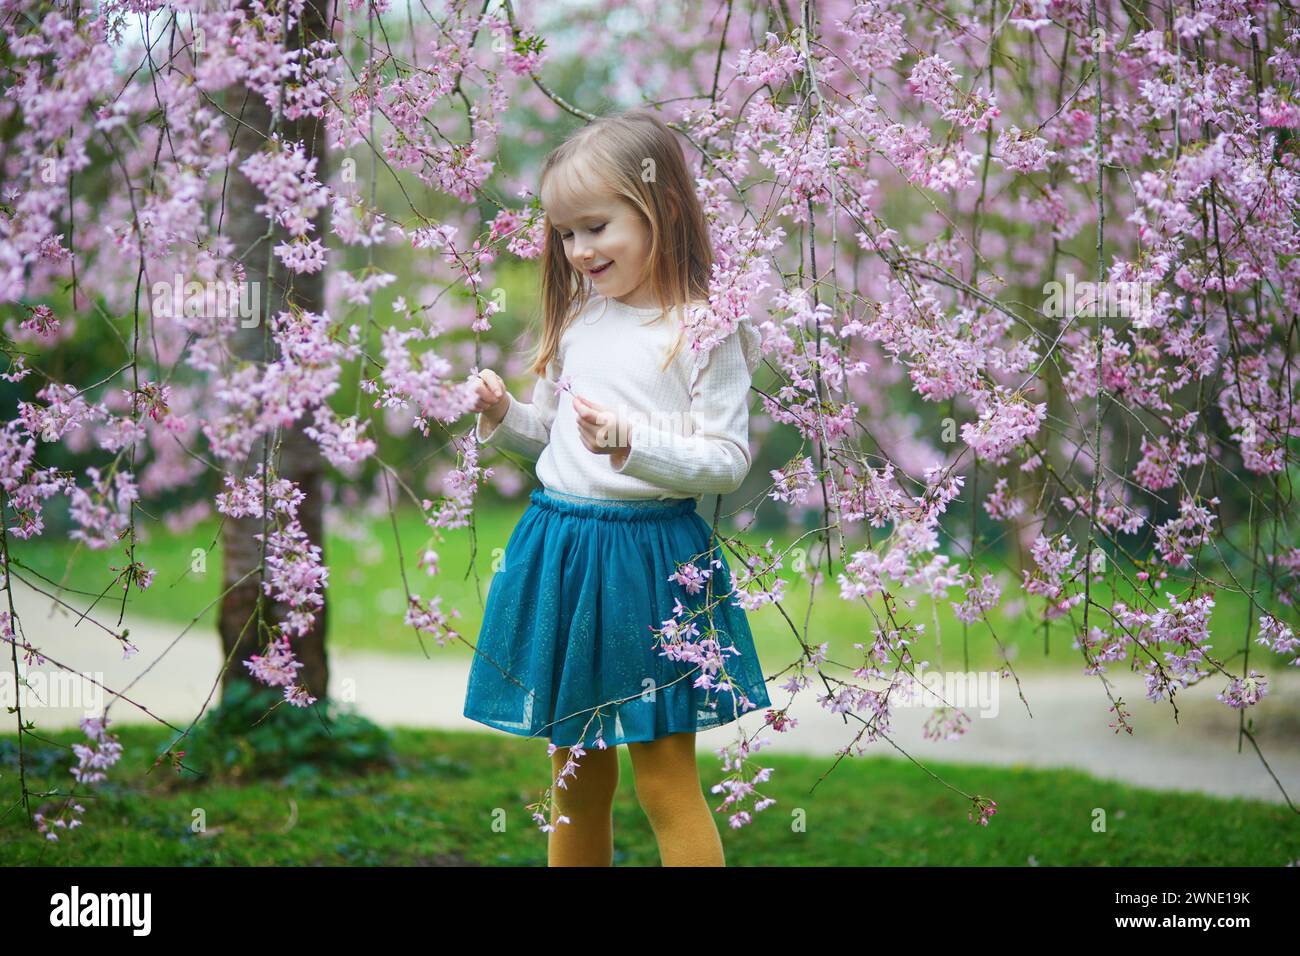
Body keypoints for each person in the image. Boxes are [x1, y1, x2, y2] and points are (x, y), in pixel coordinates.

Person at [462, 108, 771, 867]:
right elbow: (555, 437)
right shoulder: (579, 324)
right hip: (561, 553)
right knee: (574, 782)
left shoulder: (704, 329)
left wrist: (635, 444)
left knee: (664, 784)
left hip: (650, 563)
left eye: (596, 227)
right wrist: (505, 418)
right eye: (566, 234)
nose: (578, 250)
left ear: (660, 210)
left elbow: (727, 459)